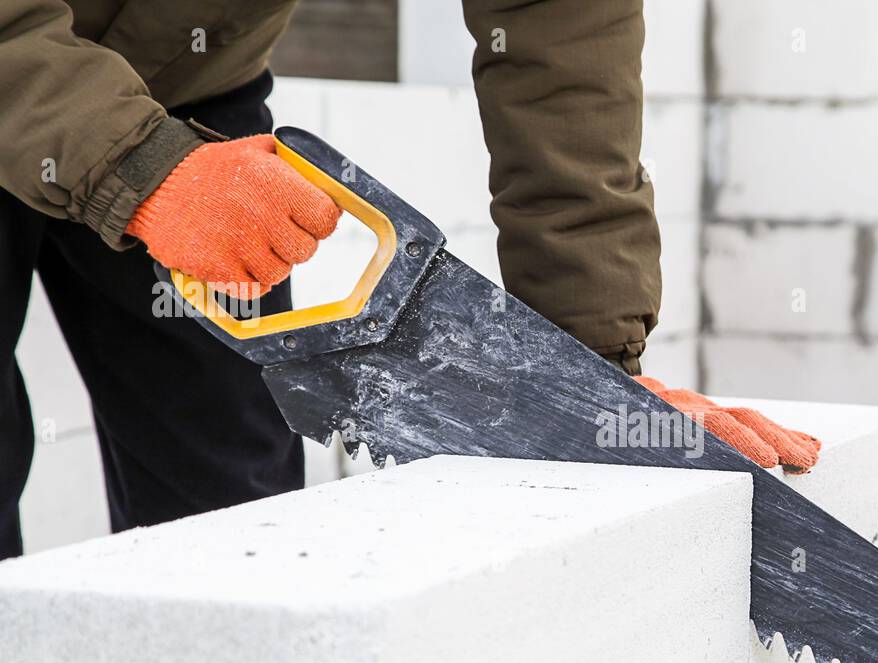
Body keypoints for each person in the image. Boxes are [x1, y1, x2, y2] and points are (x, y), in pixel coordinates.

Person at [0, 0, 817, 561]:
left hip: (195, 100)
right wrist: (132, 166)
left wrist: (589, 371)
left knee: (231, 526)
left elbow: (558, 36)